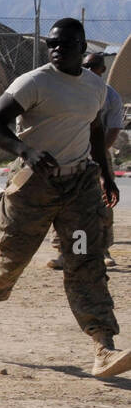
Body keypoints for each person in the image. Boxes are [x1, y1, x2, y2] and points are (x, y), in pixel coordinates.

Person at [0, 19, 131, 378]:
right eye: (52, 44)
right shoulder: (34, 82)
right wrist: (24, 150)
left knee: (85, 262)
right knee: (12, 259)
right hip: (33, 187)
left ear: (82, 46)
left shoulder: (95, 87)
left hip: (78, 187)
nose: (57, 49)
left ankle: (103, 347)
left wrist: (106, 175)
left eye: (65, 44)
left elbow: (92, 130)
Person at [46, 51, 123, 268]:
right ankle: (63, 251)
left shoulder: (110, 96)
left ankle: (103, 250)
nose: (89, 71)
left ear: (102, 70)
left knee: (102, 202)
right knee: (64, 202)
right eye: (86, 66)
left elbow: (114, 128)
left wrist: (97, 152)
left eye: (93, 67)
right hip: (68, 153)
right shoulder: (69, 91)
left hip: (97, 154)